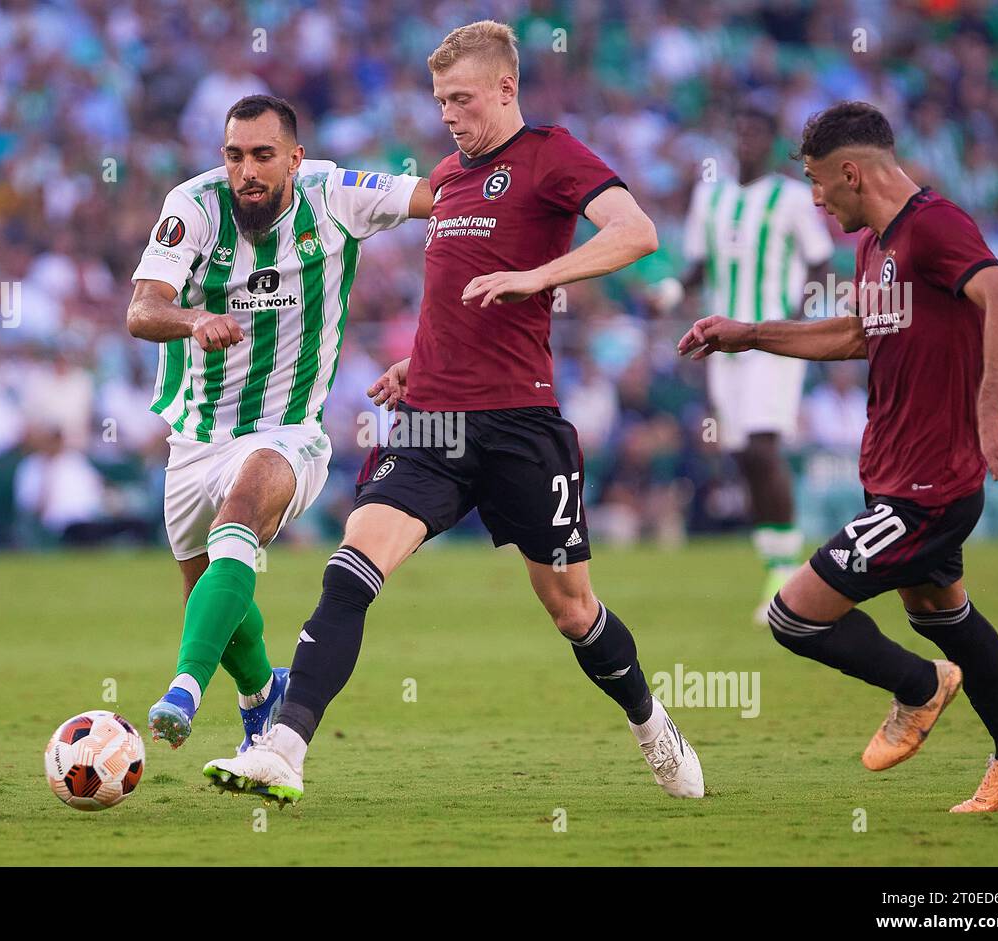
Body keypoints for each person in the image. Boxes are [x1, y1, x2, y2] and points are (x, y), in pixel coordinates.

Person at [205, 21, 704, 803]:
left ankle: (651, 725)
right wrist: (420, 362)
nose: (449, 114)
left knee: (572, 610)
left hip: (522, 428)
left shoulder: (552, 154)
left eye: (462, 98)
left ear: (506, 89)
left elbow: (635, 233)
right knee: (349, 570)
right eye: (440, 100)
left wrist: (540, 276)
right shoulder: (449, 177)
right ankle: (284, 748)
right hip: (435, 422)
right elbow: (454, 295)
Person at [677, 101, 998, 812]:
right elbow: (858, 334)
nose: (815, 199)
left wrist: (990, 413)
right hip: (893, 475)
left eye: (820, 183)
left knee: (795, 616)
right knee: (946, 618)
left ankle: (919, 687)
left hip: (930, 486)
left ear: (852, 172)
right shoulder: (875, 243)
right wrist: (750, 333)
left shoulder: (935, 227)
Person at [127, 94, 431, 755]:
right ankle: (263, 695)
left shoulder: (335, 194)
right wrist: (194, 319)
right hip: (196, 436)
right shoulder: (195, 205)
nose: (248, 173)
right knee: (210, 596)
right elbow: (143, 310)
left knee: (241, 510)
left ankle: (184, 688)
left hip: (289, 430)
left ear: (294, 159)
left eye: (264, 157)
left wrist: (501, 181)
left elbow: (438, 200)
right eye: (235, 156)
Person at [662, 103, 835, 624]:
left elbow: (821, 262)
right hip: (722, 343)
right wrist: (669, 292)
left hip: (772, 340)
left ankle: (788, 573)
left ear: (770, 139)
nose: (745, 140)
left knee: (762, 445)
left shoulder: (789, 198)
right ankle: (776, 563)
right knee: (740, 451)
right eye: (738, 130)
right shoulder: (710, 197)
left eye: (755, 132)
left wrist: (796, 322)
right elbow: (696, 266)